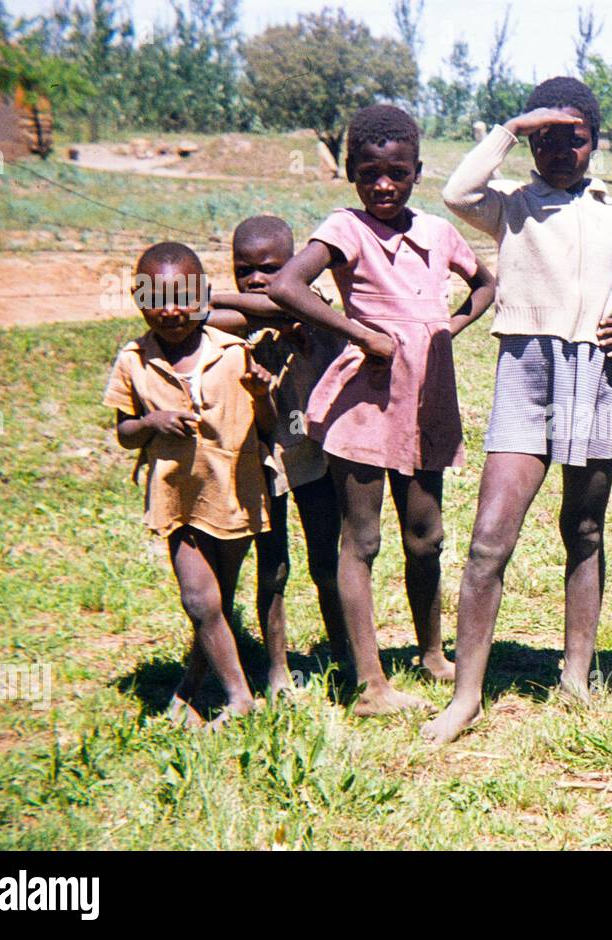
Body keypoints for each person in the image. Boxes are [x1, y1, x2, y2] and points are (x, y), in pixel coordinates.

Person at [423, 76, 612, 744]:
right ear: (533, 141)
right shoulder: (511, 204)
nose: (563, 152)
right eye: (548, 139)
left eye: (576, 139)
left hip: (592, 376)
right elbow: (454, 192)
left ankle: (576, 676)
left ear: (596, 143)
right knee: (487, 541)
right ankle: (467, 696)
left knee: (584, 531)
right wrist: (510, 128)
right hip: (523, 375)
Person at [269, 105, 497, 716]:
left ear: (417, 172)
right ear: (351, 174)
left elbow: (485, 284)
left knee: (426, 536)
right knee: (362, 539)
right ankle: (370, 684)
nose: (383, 186)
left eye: (396, 173)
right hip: (364, 401)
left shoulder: (436, 233)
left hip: (427, 400)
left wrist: (448, 329)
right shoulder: (345, 229)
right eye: (370, 174)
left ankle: (430, 653)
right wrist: (360, 334)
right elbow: (285, 286)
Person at [104, 242, 274, 728]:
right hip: (179, 496)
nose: (171, 309)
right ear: (138, 298)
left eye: (182, 296)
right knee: (199, 599)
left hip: (234, 493)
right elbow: (123, 432)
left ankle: (191, 685)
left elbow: (268, 425)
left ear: (203, 295)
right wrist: (151, 421)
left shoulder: (232, 351)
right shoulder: (134, 360)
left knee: (215, 599)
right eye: (156, 297)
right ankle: (240, 697)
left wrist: (262, 395)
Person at [206, 216, 350, 695]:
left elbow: (275, 304)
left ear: (297, 268)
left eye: (271, 268)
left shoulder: (315, 309)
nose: (255, 280)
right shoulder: (238, 323)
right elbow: (198, 314)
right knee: (274, 567)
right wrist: (235, 304)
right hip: (259, 458)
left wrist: (226, 297)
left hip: (311, 455)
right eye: (242, 270)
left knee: (326, 561)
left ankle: (347, 653)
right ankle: (276, 669)